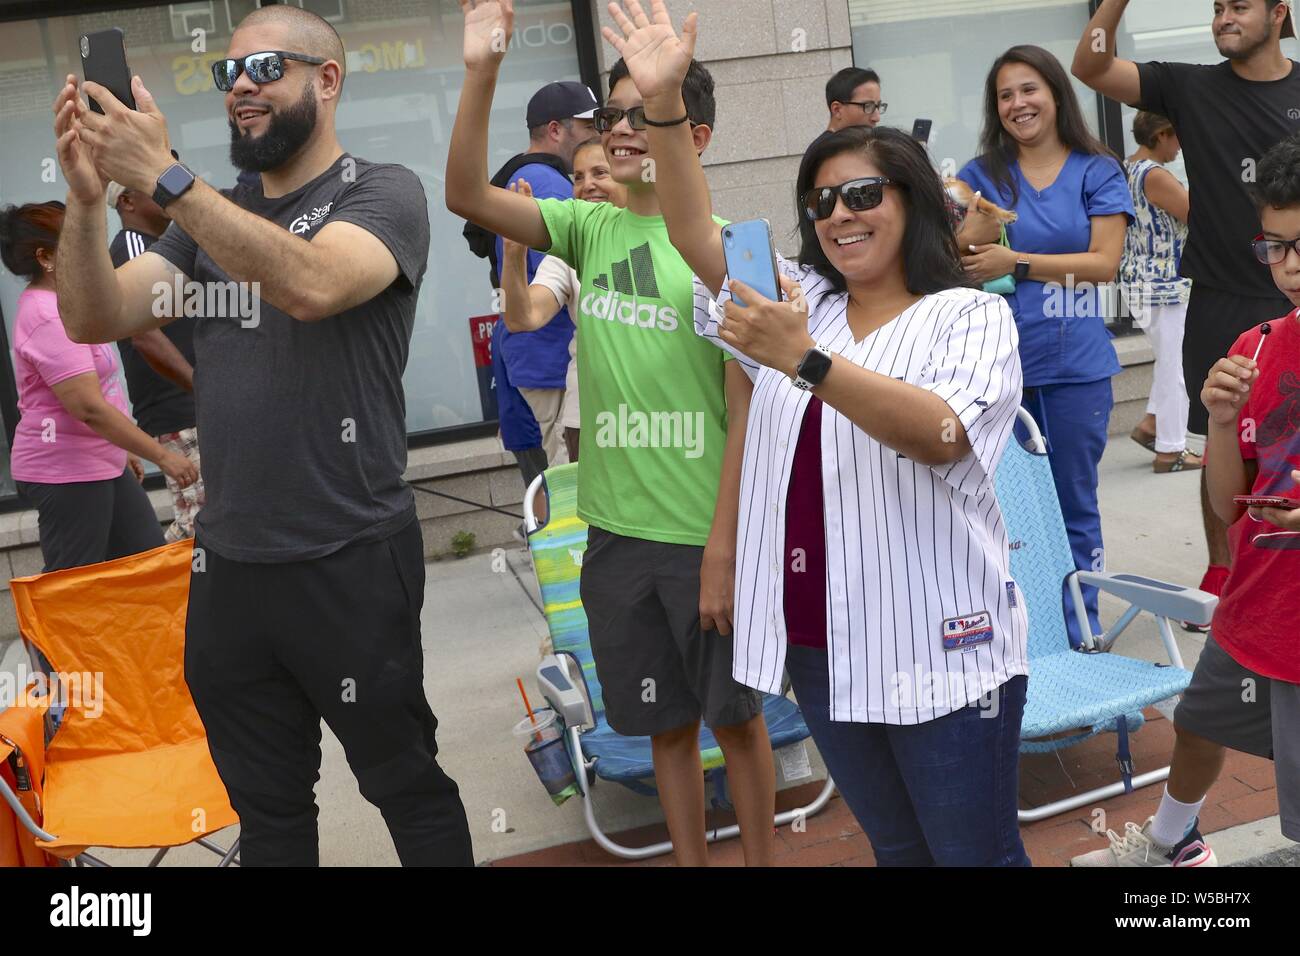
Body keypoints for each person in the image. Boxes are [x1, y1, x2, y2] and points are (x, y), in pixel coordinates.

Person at [51, 3, 472, 866]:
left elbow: (312, 284)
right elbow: (98, 314)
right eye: (228, 73)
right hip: (230, 568)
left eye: (266, 67)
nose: (241, 85)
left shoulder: (381, 191)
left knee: (404, 783)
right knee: (270, 812)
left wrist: (168, 180)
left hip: (350, 556)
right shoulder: (213, 217)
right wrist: (90, 203)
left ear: (327, 79)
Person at [620, 0, 1030, 867]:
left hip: (944, 650)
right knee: (899, 854)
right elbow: (697, 233)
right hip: (825, 649)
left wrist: (806, 363)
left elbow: (941, 434)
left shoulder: (966, 316)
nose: (840, 214)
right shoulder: (801, 302)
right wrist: (663, 107)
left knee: (973, 860)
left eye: (862, 194)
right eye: (822, 202)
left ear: (911, 199)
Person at [447, 0, 774, 867]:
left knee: (737, 726)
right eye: (613, 113)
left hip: (704, 535)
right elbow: (463, 197)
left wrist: (722, 548)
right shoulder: (588, 226)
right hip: (614, 538)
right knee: (664, 729)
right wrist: (480, 72)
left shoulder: (733, 249)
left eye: (644, 112)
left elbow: (750, 409)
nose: (622, 129)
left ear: (691, 136)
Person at [1074, 132, 1300, 865]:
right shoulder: (1260, 345)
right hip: (1259, 599)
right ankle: (1172, 838)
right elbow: (1230, 500)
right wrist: (1226, 423)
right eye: (1275, 245)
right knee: (1202, 720)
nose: (1289, 267)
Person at [1072, 0, 1300, 609]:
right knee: (1218, 440)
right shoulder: (1190, 86)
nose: (1224, 17)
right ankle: (1223, 574)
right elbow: (1090, 68)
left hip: (1296, 287)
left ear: (1278, 14)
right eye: (1217, 7)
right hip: (1223, 299)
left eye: (1239, 7)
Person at [956, 45, 1134, 649]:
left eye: (1028, 89)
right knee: (1000, 511)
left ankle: (1081, 629)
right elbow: (952, 252)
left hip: (1074, 367)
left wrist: (1017, 262)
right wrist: (969, 231)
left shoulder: (1098, 169)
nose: (1017, 104)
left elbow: (1104, 264)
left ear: (1056, 94)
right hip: (991, 369)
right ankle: (1017, 636)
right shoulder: (980, 177)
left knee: (1072, 503)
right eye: (1005, 95)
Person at [0, 200, 195, 575]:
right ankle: (49, 637)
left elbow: (101, 394)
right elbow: (89, 407)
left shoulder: (72, 303)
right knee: (73, 586)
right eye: (77, 239)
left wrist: (123, 449)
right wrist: (162, 455)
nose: (91, 246)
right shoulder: (47, 316)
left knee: (148, 567)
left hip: (99, 461)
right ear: (46, 257)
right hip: (64, 470)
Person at [479, 80, 600, 484]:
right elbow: (553, 283)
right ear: (555, 130)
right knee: (572, 493)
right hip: (553, 366)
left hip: (535, 361)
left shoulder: (529, 175)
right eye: (587, 127)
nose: (598, 135)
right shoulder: (547, 184)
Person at [499, 138, 628, 464]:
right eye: (578, 177)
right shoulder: (571, 250)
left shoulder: (669, 235)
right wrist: (514, 254)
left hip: (659, 419)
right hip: (587, 420)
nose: (588, 185)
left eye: (600, 172)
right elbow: (522, 317)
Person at [106, 181, 206, 539]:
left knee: (210, 515)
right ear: (126, 200)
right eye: (154, 185)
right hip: (180, 408)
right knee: (200, 522)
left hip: (198, 404)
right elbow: (144, 334)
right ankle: (180, 592)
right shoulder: (132, 248)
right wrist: (202, 387)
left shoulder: (170, 245)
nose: (169, 192)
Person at [1119, 112, 1201, 474]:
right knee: (1177, 364)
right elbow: (1195, 216)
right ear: (1163, 134)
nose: (1179, 146)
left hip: (1138, 279)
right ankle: (1171, 450)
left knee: (1169, 357)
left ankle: (1152, 424)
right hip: (1164, 283)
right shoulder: (1155, 175)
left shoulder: (1125, 169)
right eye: (1178, 137)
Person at [824, 66, 886, 132]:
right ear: (837, 110)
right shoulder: (834, 142)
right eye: (868, 106)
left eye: (878, 106)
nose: (877, 118)